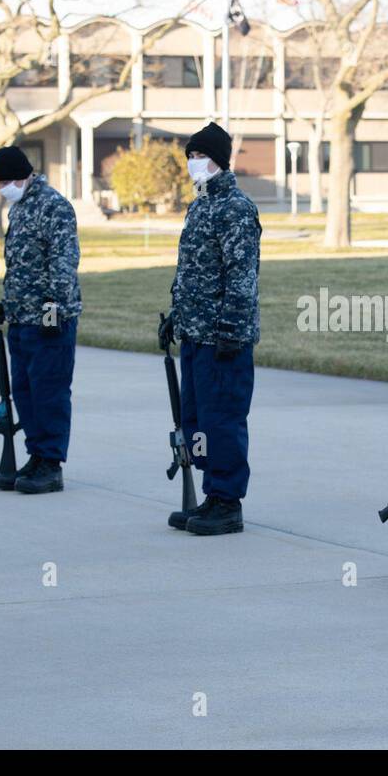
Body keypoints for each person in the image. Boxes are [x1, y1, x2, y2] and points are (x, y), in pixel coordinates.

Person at [162, 122, 261, 535]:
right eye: (190, 157)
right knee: (197, 419)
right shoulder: (199, 205)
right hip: (195, 333)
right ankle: (209, 492)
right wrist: (175, 315)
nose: (193, 163)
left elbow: (241, 277)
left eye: (200, 156)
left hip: (223, 338)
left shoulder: (236, 208)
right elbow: (190, 271)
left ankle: (227, 500)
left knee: (222, 419)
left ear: (219, 160)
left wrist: (230, 330)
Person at [0, 145, 82, 494]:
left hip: (48, 320)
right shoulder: (19, 208)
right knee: (25, 390)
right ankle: (35, 454)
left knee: (49, 391)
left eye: (5, 181)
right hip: (22, 317)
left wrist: (53, 311)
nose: (3, 188)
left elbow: (63, 263)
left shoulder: (53, 206)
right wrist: (8, 305)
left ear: (23, 175)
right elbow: (20, 265)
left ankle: (51, 462)